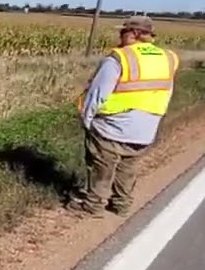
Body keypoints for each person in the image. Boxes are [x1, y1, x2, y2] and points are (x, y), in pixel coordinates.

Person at [66, 15, 180, 217]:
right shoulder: (168, 57)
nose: (120, 35)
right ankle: (121, 204)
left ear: (134, 33)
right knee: (129, 165)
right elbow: (167, 90)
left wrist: (87, 119)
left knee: (101, 164)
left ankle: (93, 205)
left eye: (123, 31)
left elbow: (98, 94)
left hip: (112, 126)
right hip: (147, 128)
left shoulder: (119, 58)